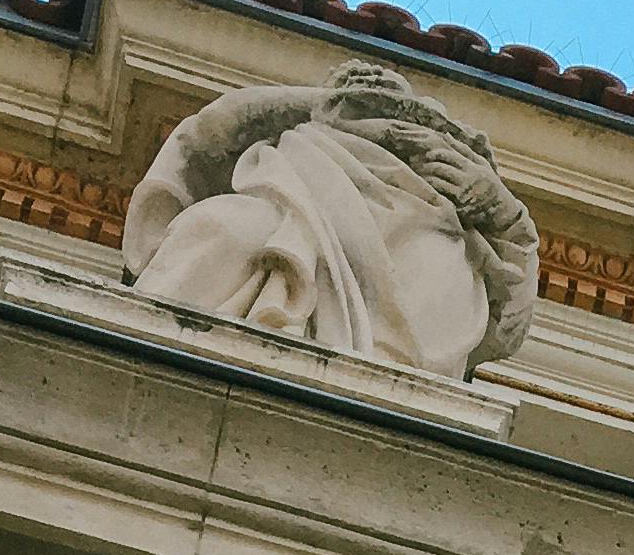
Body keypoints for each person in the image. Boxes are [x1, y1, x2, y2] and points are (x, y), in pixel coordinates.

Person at [121, 57, 539, 382]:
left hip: (419, 257)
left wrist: (504, 212)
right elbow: (214, 128)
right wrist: (326, 108)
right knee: (222, 229)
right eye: (372, 108)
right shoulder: (271, 181)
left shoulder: (452, 228)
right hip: (291, 215)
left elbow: (507, 326)